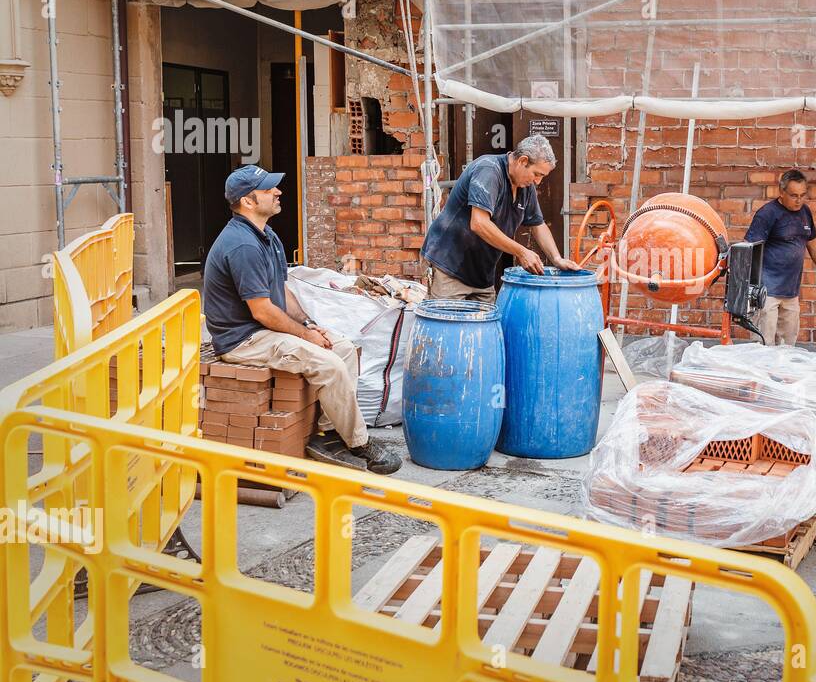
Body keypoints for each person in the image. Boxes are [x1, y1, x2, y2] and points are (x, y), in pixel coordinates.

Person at [204, 165, 401, 475]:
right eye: (269, 189)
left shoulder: (266, 236)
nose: (278, 191)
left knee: (345, 348)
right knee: (329, 363)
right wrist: (307, 338)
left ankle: (328, 434)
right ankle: (359, 442)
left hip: (265, 329)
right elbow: (262, 311)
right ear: (248, 201)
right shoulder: (242, 245)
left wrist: (309, 325)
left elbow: (281, 292)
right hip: (243, 339)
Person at [421, 133, 580, 302]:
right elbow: (479, 223)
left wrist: (556, 258)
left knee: (486, 326)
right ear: (523, 161)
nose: (538, 181)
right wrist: (521, 251)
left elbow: (537, 224)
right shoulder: (488, 170)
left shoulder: (525, 186)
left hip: (481, 275)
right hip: (449, 267)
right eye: (537, 174)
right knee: (448, 326)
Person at [743, 169, 816, 346]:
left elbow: (811, 241)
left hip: (791, 292)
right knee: (763, 346)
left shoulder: (805, 212)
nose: (798, 200)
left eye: (802, 195)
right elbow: (749, 247)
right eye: (793, 195)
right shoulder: (767, 214)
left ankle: (782, 374)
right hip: (766, 292)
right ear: (781, 192)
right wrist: (748, 287)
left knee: (787, 348)